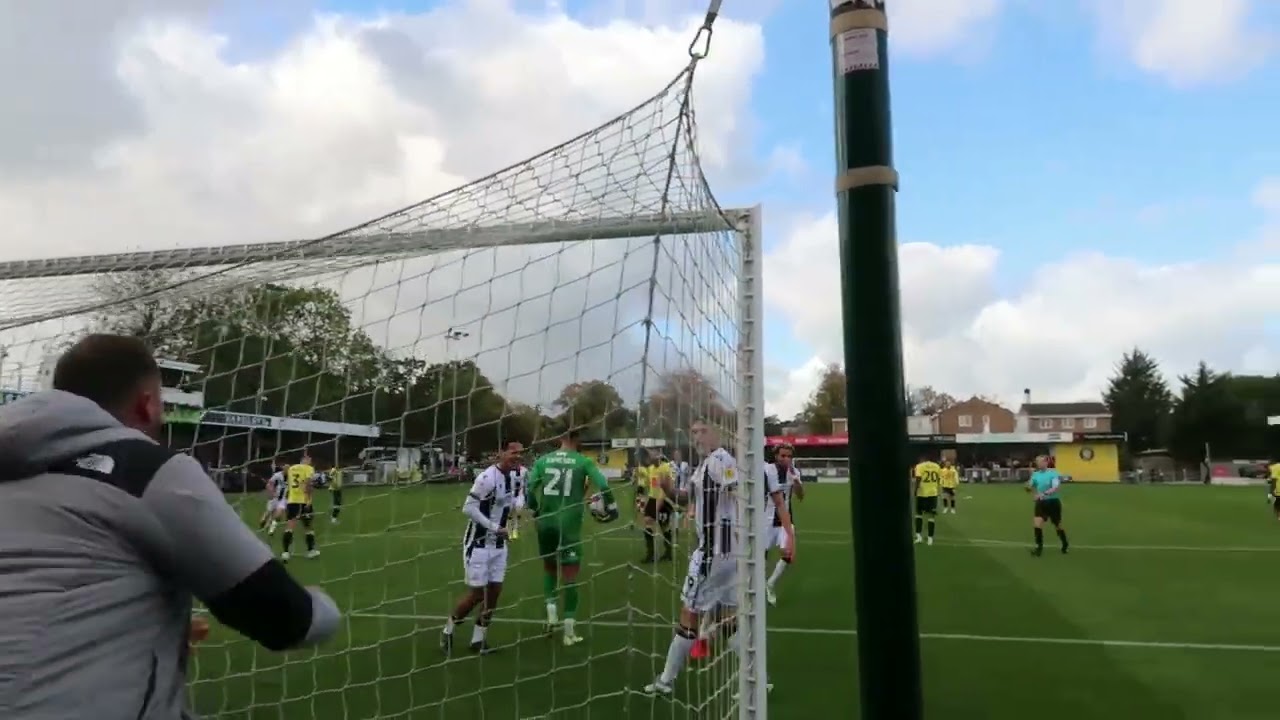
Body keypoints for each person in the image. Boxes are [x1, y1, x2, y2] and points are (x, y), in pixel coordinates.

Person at [0, 334, 339, 720]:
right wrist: (327, 609)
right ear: (147, 405)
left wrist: (147, 625)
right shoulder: (145, 469)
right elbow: (286, 619)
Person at [644, 420, 739, 696]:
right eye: (693, 432)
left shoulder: (721, 460)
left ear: (717, 433)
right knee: (727, 619)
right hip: (726, 554)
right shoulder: (705, 464)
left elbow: (738, 492)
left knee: (690, 612)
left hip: (714, 552)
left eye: (703, 431)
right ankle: (759, 677)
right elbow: (686, 498)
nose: (697, 436)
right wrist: (668, 489)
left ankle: (666, 680)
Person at [526, 429, 619, 645]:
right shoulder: (582, 462)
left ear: (560, 438)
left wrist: (535, 509)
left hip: (546, 523)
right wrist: (612, 508)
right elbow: (604, 485)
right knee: (569, 577)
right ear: (577, 439)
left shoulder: (543, 461)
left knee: (549, 568)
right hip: (568, 527)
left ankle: (551, 612)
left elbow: (529, 489)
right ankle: (569, 632)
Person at [441, 440, 524, 655]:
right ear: (501, 453)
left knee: (494, 593)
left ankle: (478, 640)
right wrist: (495, 527)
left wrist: (516, 514)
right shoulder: (486, 478)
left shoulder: (517, 475)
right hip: (478, 544)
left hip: (499, 545)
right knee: (477, 594)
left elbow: (518, 496)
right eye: (513, 452)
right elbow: (468, 508)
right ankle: (448, 630)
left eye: (520, 453)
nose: (517, 456)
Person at [764, 443, 800, 606]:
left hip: (785, 521)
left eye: (789, 456)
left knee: (788, 555)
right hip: (766, 520)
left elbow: (801, 496)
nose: (786, 459)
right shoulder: (768, 470)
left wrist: (797, 481)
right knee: (759, 558)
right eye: (782, 456)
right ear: (776, 456)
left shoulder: (794, 472)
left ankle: (770, 584)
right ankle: (757, 587)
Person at [1028, 454, 1070, 556]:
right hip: (1041, 503)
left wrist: (1042, 494)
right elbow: (1030, 486)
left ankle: (1065, 543)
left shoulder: (1053, 473)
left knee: (1057, 525)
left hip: (1053, 502)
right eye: (1037, 461)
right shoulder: (1035, 474)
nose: (1038, 463)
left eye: (1041, 461)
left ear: (1046, 462)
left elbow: (1055, 487)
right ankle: (1039, 548)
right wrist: (1028, 488)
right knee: (1037, 524)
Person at [281, 453, 319, 561]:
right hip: (303, 501)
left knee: (290, 526)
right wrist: (308, 499)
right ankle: (311, 551)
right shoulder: (308, 468)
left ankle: (285, 552)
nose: (310, 461)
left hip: (292, 501)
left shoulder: (292, 468)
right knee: (308, 526)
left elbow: (287, 479)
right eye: (309, 459)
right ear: (305, 460)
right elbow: (308, 483)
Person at [913, 454, 943, 546]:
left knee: (919, 514)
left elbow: (918, 478)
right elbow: (938, 479)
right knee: (931, 516)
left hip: (922, 493)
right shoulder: (936, 466)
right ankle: (930, 539)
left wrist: (915, 490)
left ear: (923, 459)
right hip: (932, 493)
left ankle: (919, 536)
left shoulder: (919, 466)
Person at [259, 459, 287, 533]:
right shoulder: (277, 475)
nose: (287, 470)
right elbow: (269, 484)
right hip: (275, 497)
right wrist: (272, 493)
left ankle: (269, 529)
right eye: (285, 468)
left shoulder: (291, 477)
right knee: (268, 512)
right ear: (283, 469)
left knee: (276, 514)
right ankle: (263, 521)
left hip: (283, 499)